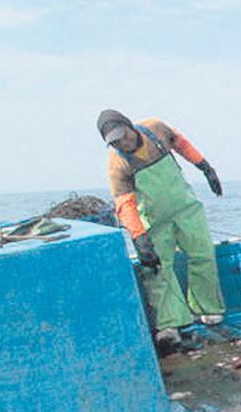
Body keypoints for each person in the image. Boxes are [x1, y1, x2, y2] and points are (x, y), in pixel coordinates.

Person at [97, 110, 227, 347]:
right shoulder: (118, 164)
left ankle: (207, 309)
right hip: (155, 221)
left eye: (123, 136)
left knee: (203, 254)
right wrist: (139, 239)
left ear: (129, 126)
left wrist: (205, 167)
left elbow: (181, 144)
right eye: (115, 142)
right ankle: (169, 324)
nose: (122, 143)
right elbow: (125, 204)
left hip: (187, 208)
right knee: (157, 269)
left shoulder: (156, 128)